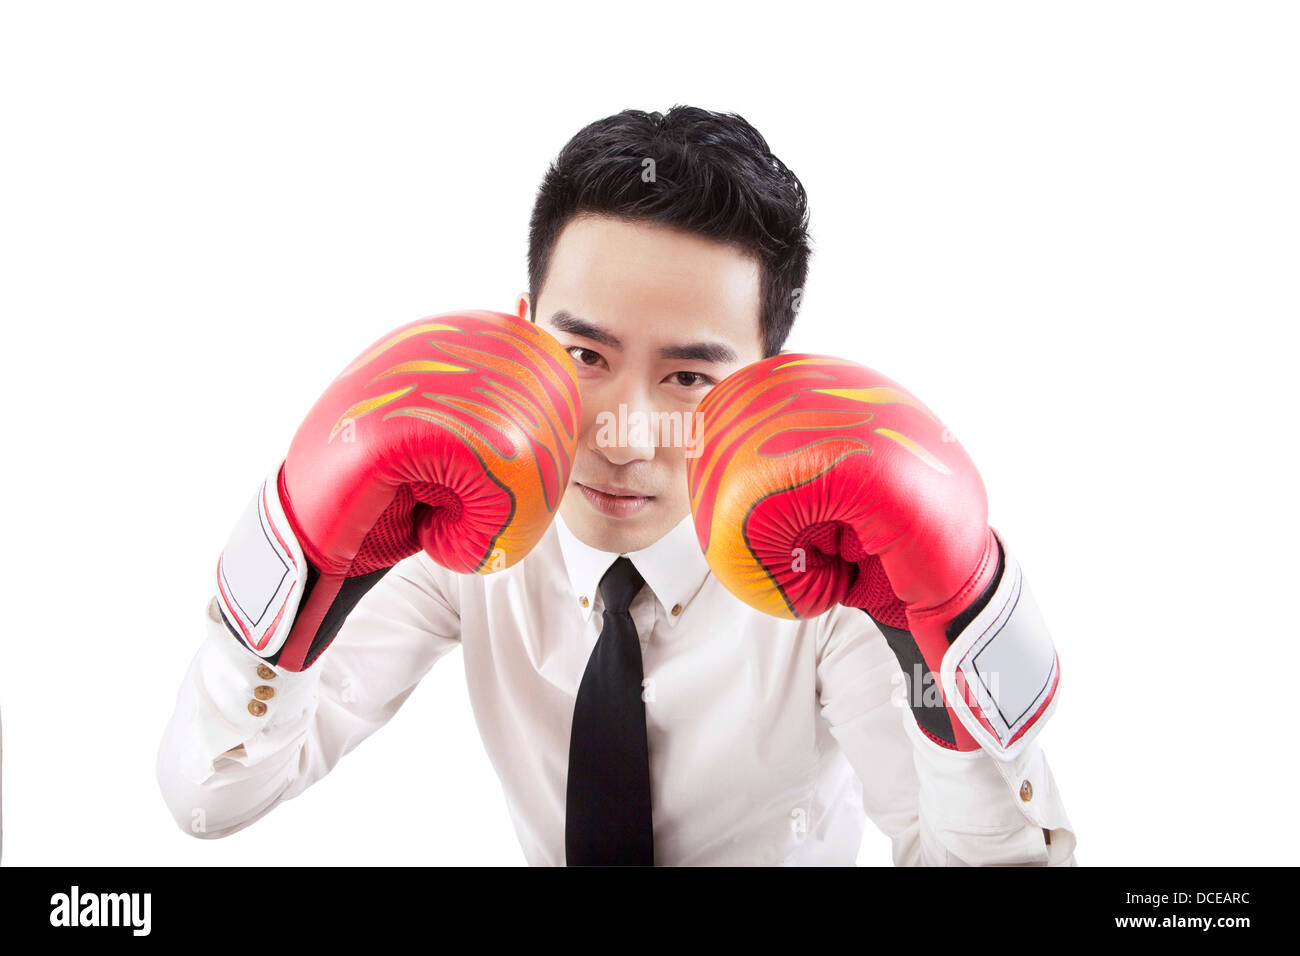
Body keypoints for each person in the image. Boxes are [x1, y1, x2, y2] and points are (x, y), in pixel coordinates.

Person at [156, 105, 1076, 865]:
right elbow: (212, 799)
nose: (626, 437)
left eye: (689, 377)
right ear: (522, 331)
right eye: (583, 354)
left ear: (767, 379)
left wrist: (951, 644)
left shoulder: (827, 575)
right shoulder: (460, 516)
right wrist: (298, 571)